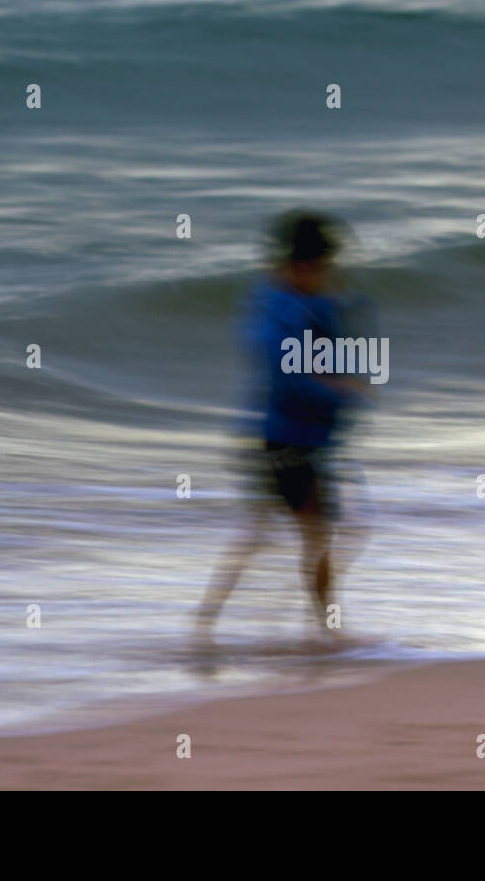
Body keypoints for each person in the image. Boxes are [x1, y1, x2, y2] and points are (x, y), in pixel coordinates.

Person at [194, 210, 369, 646]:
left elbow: (330, 354)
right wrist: (340, 390)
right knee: (317, 533)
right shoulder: (279, 311)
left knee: (292, 535)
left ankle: (208, 626)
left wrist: (341, 355)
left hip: (300, 438)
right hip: (286, 440)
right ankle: (324, 632)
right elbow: (289, 378)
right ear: (301, 264)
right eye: (325, 266)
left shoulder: (303, 303)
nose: (330, 273)